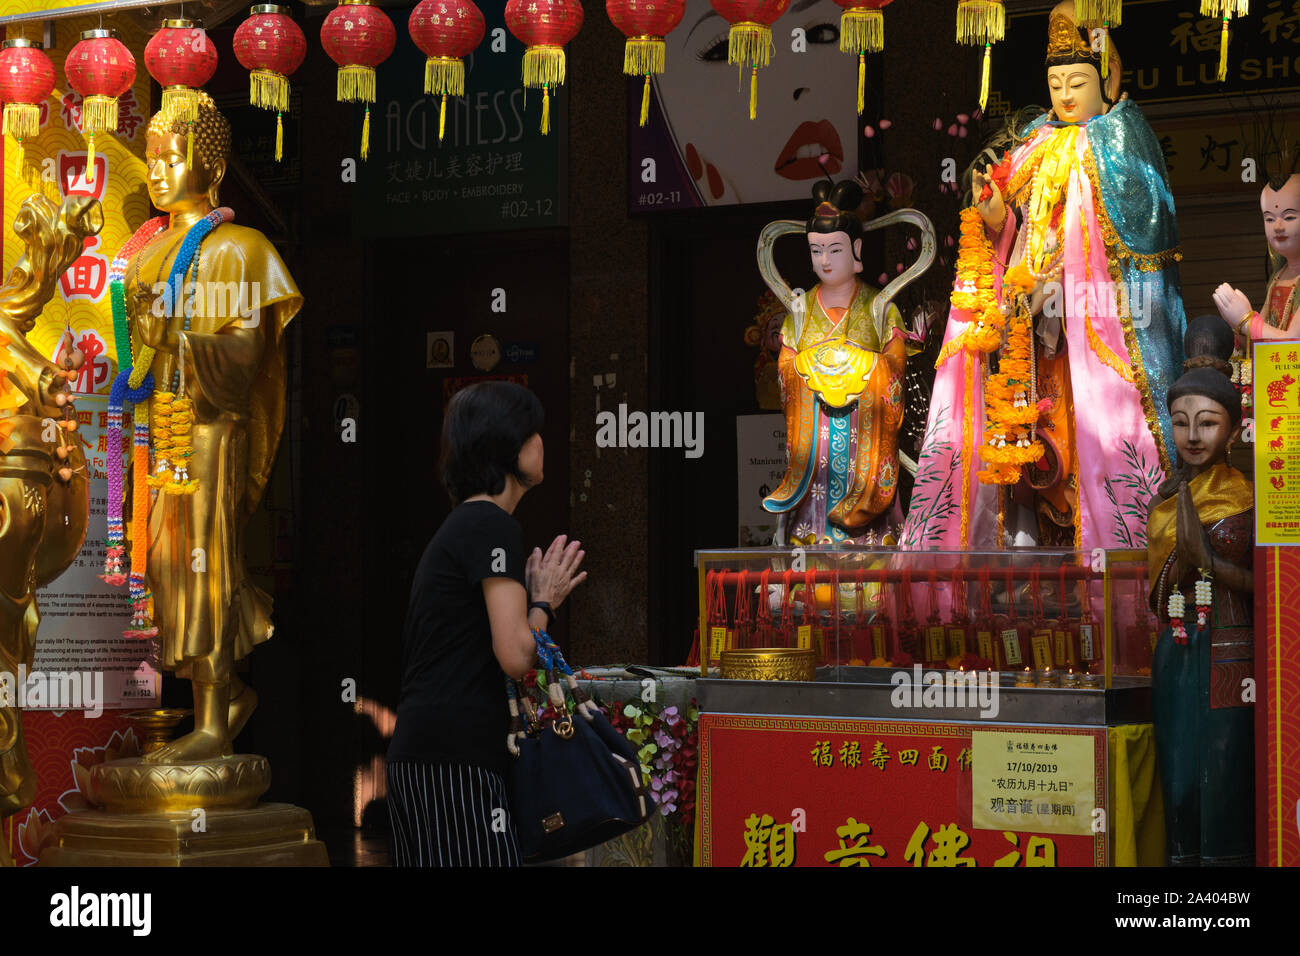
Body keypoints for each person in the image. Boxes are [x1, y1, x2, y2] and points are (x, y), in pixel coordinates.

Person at [901, 1, 1185, 552]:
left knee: (1085, 418)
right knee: (1023, 419)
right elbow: (1015, 226)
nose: (1065, 94)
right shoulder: (1031, 143)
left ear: (1106, 80)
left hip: (1090, 315)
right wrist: (994, 217)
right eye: (1055, 82)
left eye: (1078, 80)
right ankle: (1022, 526)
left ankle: (1104, 535)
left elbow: (1143, 230)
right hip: (1028, 314)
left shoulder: (1122, 136)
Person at [124, 91, 302, 763]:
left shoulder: (240, 249)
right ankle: (215, 703)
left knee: (206, 568)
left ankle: (213, 717)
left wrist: (180, 339)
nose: (160, 172)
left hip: (209, 434)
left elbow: (246, 356)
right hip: (160, 429)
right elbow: (135, 356)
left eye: (174, 158)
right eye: (152, 160)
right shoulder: (147, 252)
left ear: (212, 167)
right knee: (166, 570)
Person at [386, 382, 586, 867]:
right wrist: (546, 601)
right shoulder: (492, 525)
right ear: (507, 444)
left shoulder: (467, 523)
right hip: (454, 756)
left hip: (427, 750)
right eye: (533, 431)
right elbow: (516, 654)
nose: (542, 442)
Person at [758, 178, 909, 546]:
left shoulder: (881, 309)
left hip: (864, 444)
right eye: (816, 251)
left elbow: (896, 368)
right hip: (816, 441)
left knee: (872, 543)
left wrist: (861, 365)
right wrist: (813, 368)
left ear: (856, 249)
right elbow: (784, 369)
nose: (824, 261)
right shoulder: (799, 312)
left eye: (835, 250)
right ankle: (809, 538)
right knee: (815, 505)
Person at [1147, 368, 1254, 866]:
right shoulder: (1165, 501)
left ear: (1232, 430)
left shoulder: (1249, 498)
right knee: (1179, 765)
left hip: (1233, 644)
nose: (1192, 436)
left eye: (1208, 423)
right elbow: (1156, 590)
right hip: (1177, 642)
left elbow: (1272, 589)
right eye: (1181, 422)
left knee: (1226, 763)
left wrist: (1209, 562)